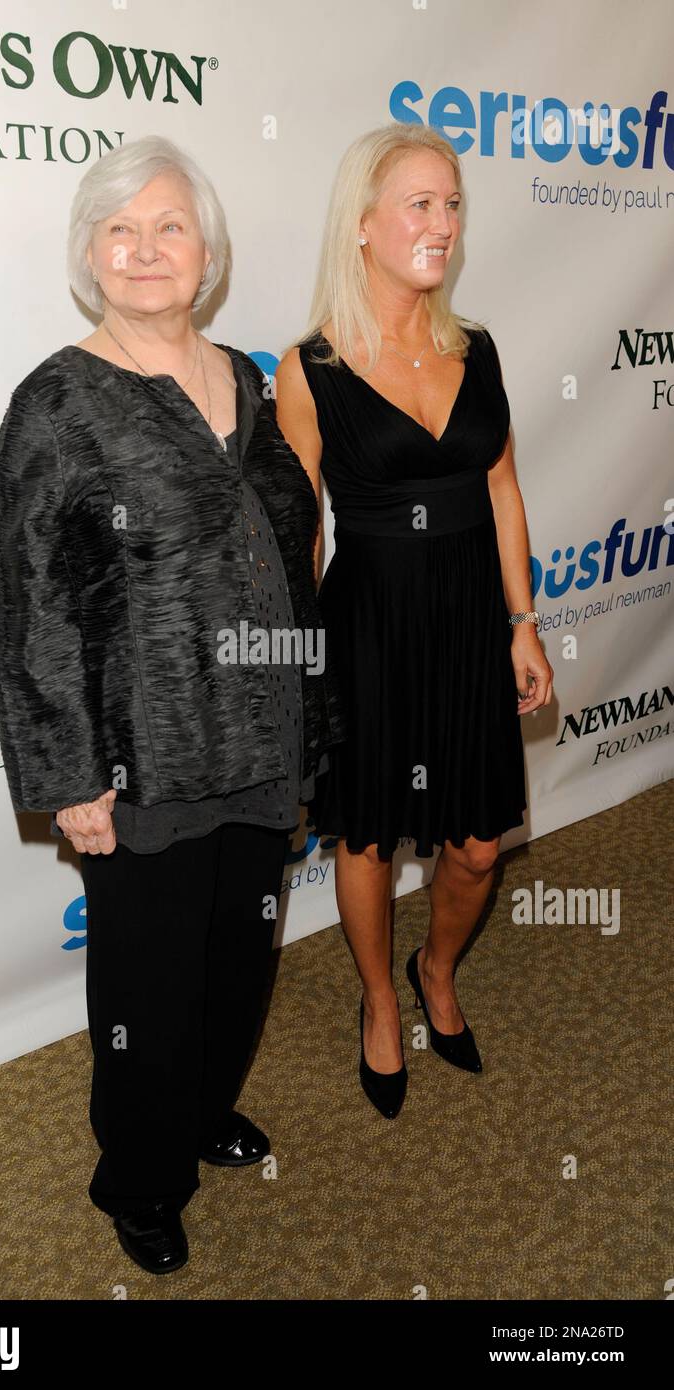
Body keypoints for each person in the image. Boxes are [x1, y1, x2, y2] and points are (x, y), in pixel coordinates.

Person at [0, 135, 344, 1273]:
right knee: (149, 982)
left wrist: (314, 714)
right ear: (90, 254)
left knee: (239, 963)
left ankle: (199, 1111)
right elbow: (31, 603)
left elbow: (288, 552)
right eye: (121, 230)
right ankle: (139, 1175)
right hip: (144, 764)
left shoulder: (248, 379)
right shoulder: (56, 402)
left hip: (264, 742)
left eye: (170, 226)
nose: (146, 249)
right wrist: (70, 777)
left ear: (208, 253)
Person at [275, 122, 553, 1120]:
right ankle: (381, 1000)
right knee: (366, 837)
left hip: (473, 622)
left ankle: (434, 965)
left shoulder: (475, 349)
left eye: (452, 204)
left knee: (476, 846)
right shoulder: (309, 368)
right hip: (371, 627)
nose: (442, 223)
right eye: (419, 204)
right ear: (362, 224)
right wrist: (303, 658)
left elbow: (503, 489)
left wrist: (523, 621)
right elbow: (303, 528)